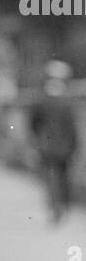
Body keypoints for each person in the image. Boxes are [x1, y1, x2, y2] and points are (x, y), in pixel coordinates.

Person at [29, 61, 79, 222]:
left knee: (50, 176)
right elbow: (72, 128)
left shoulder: (42, 102)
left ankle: (55, 205)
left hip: (47, 146)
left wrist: (36, 139)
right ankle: (63, 204)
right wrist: (75, 145)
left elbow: (34, 124)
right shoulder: (67, 104)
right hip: (65, 147)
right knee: (64, 176)